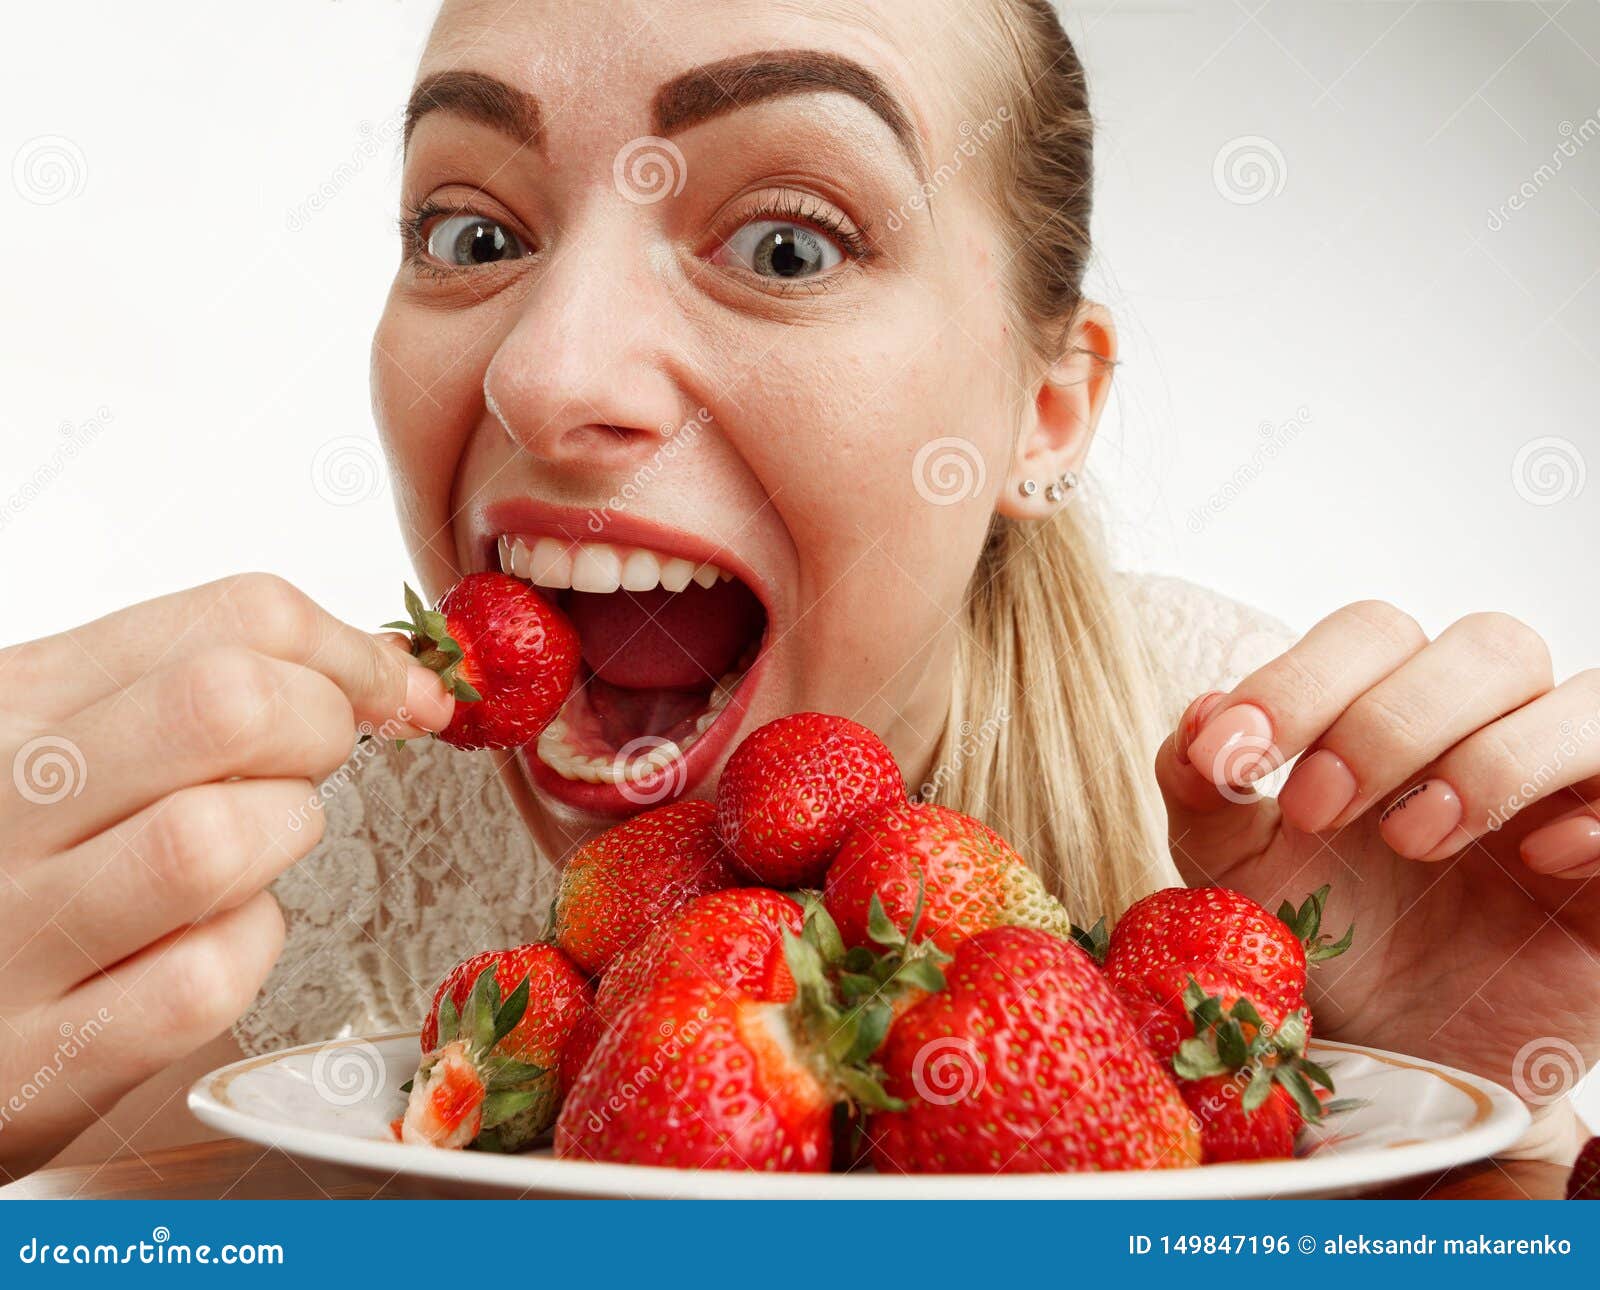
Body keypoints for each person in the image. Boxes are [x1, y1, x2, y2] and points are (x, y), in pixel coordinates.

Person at [4, 0, 1595, 1178]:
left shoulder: (1299, 831)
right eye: (471, 226)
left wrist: (1448, 1148)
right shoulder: (215, 892)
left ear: (1044, 413)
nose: (545, 377)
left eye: (786, 245)